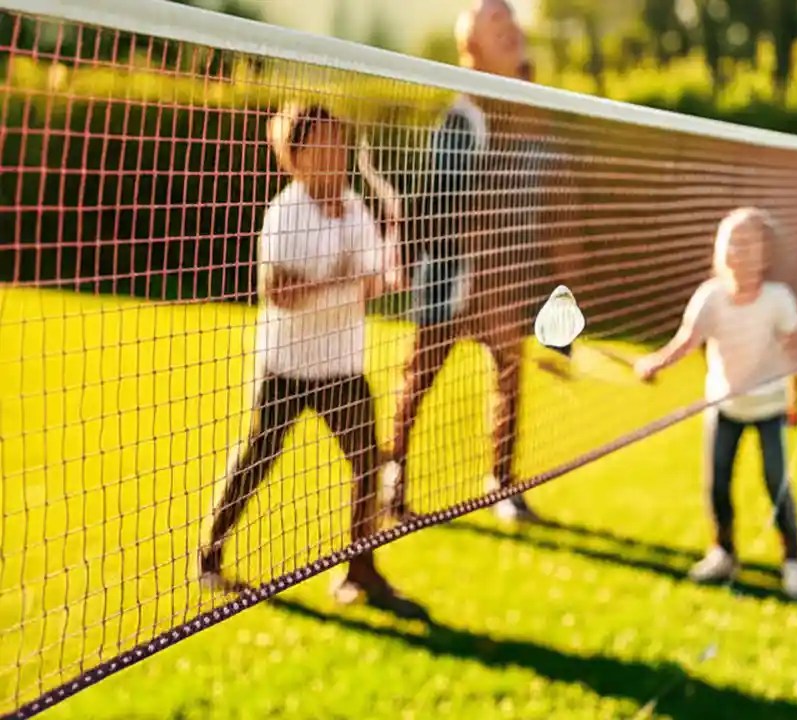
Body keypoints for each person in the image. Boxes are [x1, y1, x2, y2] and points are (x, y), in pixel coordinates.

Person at [198, 103, 412, 607]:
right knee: (256, 459)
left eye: (339, 141)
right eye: (322, 144)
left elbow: (371, 286)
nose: (335, 153)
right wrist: (344, 282)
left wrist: (383, 277)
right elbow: (278, 292)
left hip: (342, 365)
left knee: (367, 465)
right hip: (286, 366)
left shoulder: (356, 207)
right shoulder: (285, 213)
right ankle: (209, 556)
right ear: (295, 156)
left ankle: (360, 570)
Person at [380, 0, 574, 526]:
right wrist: (425, 260)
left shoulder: (532, 112)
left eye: (511, 17)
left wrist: (557, 279)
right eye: (495, 21)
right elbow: (439, 205)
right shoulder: (462, 119)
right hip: (450, 280)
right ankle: (392, 483)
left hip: (501, 280)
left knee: (510, 379)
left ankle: (502, 486)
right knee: (418, 381)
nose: (510, 26)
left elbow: (542, 201)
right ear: (471, 49)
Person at [634, 207, 797, 600]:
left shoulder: (778, 300)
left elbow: (796, 353)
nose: (736, 250)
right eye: (730, 241)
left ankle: (793, 560)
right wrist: (655, 364)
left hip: (769, 408)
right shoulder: (710, 297)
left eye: (746, 242)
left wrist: (795, 398)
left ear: (765, 254)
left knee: (776, 484)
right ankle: (723, 552)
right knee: (717, 485)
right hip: (723, 406)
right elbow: (686, 341)